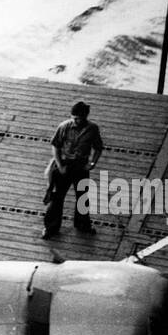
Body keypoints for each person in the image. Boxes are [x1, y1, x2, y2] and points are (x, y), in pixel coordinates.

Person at [41, 100, 104, 238]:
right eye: (74, 118)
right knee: (56, 197)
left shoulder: (93, 129)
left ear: (86, 117)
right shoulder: (64, 126)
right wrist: (60, 165)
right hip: (64, 164)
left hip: (81, 166)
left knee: (82, 197)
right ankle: (51, 228)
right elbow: (55, 146)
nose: (76, 121)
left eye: (79, 118)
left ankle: (83, 225)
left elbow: (98, 147)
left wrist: (92, 163)